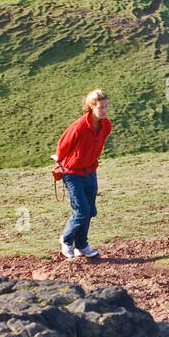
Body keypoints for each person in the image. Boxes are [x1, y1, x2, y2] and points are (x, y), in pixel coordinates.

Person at [55, 89, 112, 260]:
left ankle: (81, 245)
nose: (104, 110)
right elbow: (63, 145)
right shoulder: (79, 127)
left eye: (106, 106)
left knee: (90, 210)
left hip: (90, 171)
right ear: (91, 107)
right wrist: (59, 162)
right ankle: (66, 241)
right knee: (81, 211)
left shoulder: (105, 125)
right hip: (72, 173)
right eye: (101, 107)